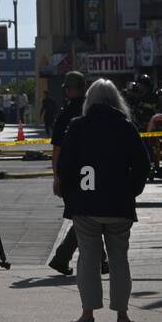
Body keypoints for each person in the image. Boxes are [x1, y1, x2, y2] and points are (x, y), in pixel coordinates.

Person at [57, 79, 151, 322]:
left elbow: (65, 166)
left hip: (86, 205)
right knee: (119, 259)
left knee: (88, 259)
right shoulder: (126, 127)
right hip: (119, 205)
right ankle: (122, 314)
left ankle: (87, 314)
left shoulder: (77, 127)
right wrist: (132, 190)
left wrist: (71, 198)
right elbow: (143, 163)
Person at [47, 71, 107, 277]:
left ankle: (65, 258)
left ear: (69, 89)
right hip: (92, 173)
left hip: (72, 175)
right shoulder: (93, 110)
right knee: (89, 215)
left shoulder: (65, 115)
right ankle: (68, 258)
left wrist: (57, 176)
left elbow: (57, 149)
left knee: (84, 217)